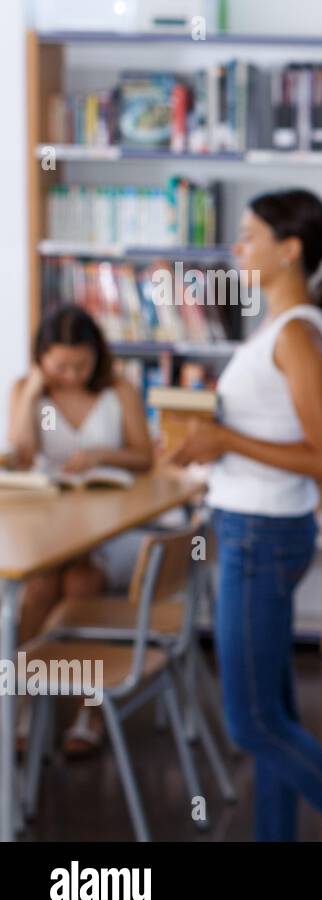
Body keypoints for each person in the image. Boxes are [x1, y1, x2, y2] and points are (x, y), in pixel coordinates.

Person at [167, 188, 322, 841]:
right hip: (252, 526)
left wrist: (225, 440)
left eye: (249, 235)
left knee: (251, 722)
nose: (237, 249)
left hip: (260, 534)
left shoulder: (297, 333)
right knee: (273, 711)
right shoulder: (280, 325)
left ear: (289, 249)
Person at [7, 304, 154, 757]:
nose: (70, 375)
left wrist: (100, 457)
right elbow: (22, 457)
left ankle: (86, 709)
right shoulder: (26, 390)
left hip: (109, 526)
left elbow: (144, 457)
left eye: (81, 364)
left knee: (82, 580)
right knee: (41, 585)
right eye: (59, 365)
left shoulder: (119, 390)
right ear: (41, 358)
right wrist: (32, 391)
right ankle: (26, 705)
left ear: (97, 356)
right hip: (48, 526)